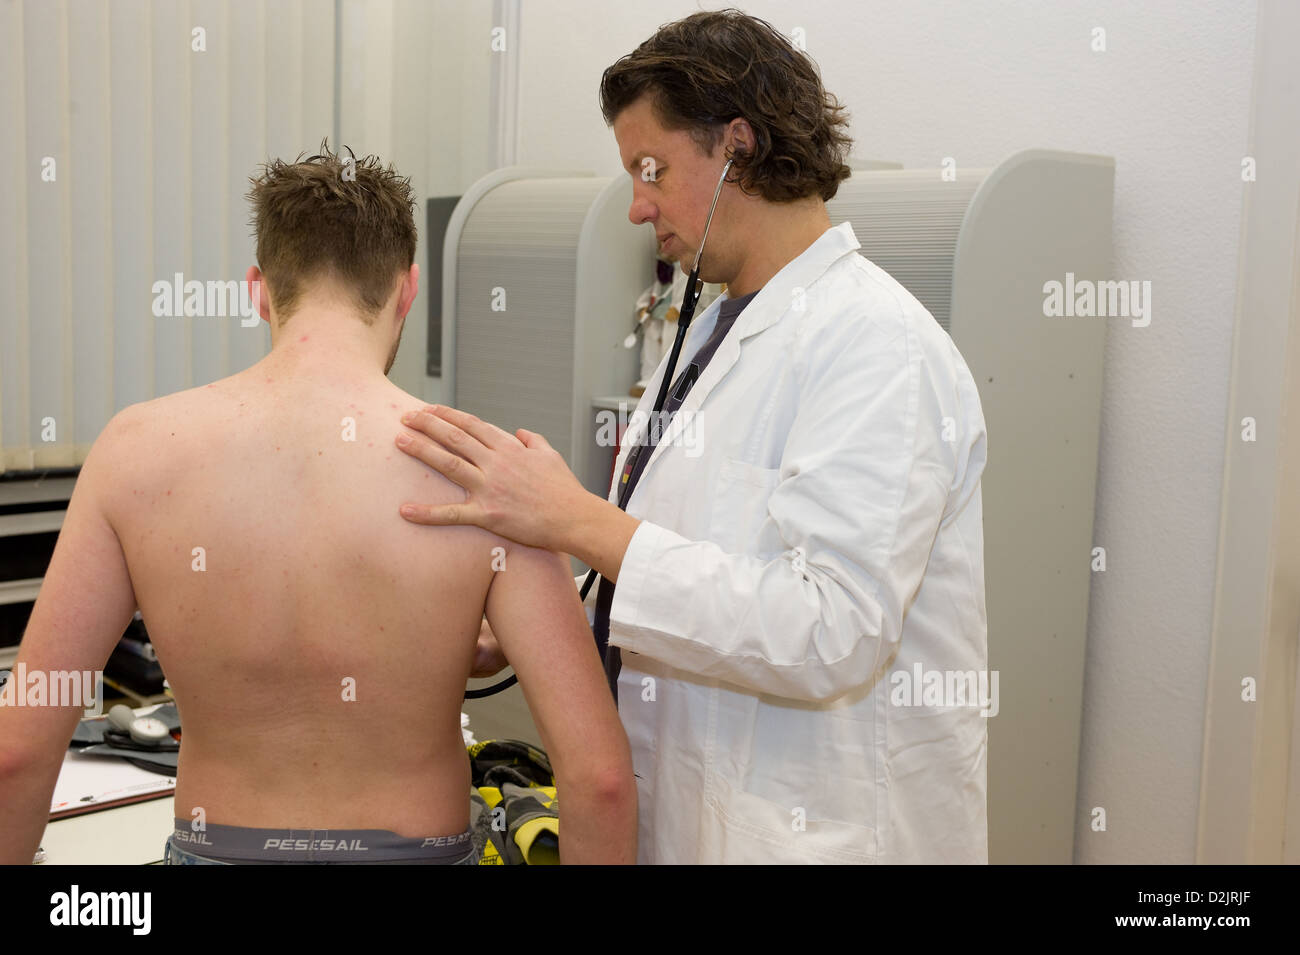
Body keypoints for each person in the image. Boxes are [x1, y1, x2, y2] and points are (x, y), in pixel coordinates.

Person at [395, 10, 989, 865]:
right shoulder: (714, 330)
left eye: (651, 170)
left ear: (737, 145)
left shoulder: (877, 345)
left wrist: (574, 519)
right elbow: (701, 557)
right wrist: (557, 612)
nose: (637, 207)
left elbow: (833, 628)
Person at [0, 144, 636, 866]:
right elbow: (602, 780)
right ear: (408, 291)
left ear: (259, 290)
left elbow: (16, 754)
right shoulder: (485, 474)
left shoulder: (136, 452)